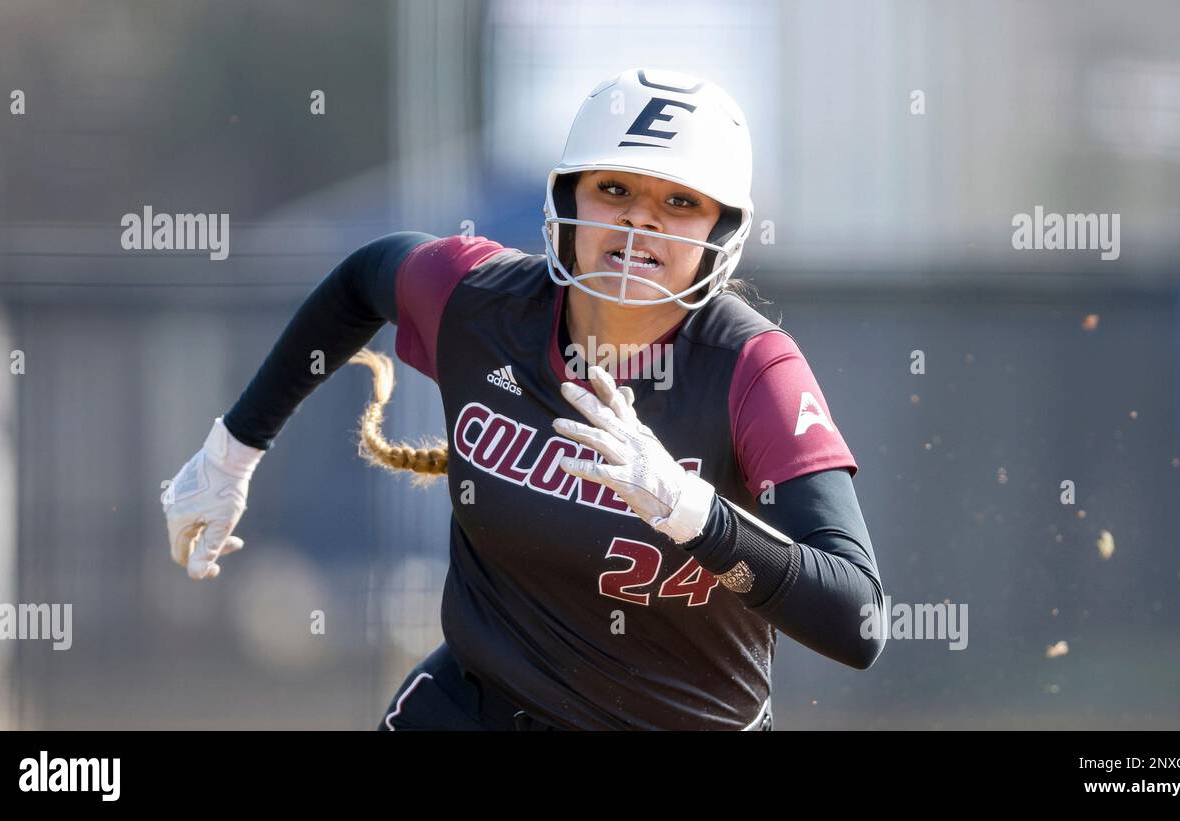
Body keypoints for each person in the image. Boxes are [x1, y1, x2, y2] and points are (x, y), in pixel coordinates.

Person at [162, 68, 886, 731]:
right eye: (615, 189)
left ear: (721, 233)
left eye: (679, 202)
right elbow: (363, 279)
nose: (641, 220)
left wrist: (694, 513)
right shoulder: (481, 301)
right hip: (483, 704)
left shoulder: (752, 369)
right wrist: (233, 450)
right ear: (566, 195)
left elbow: (856, 620)